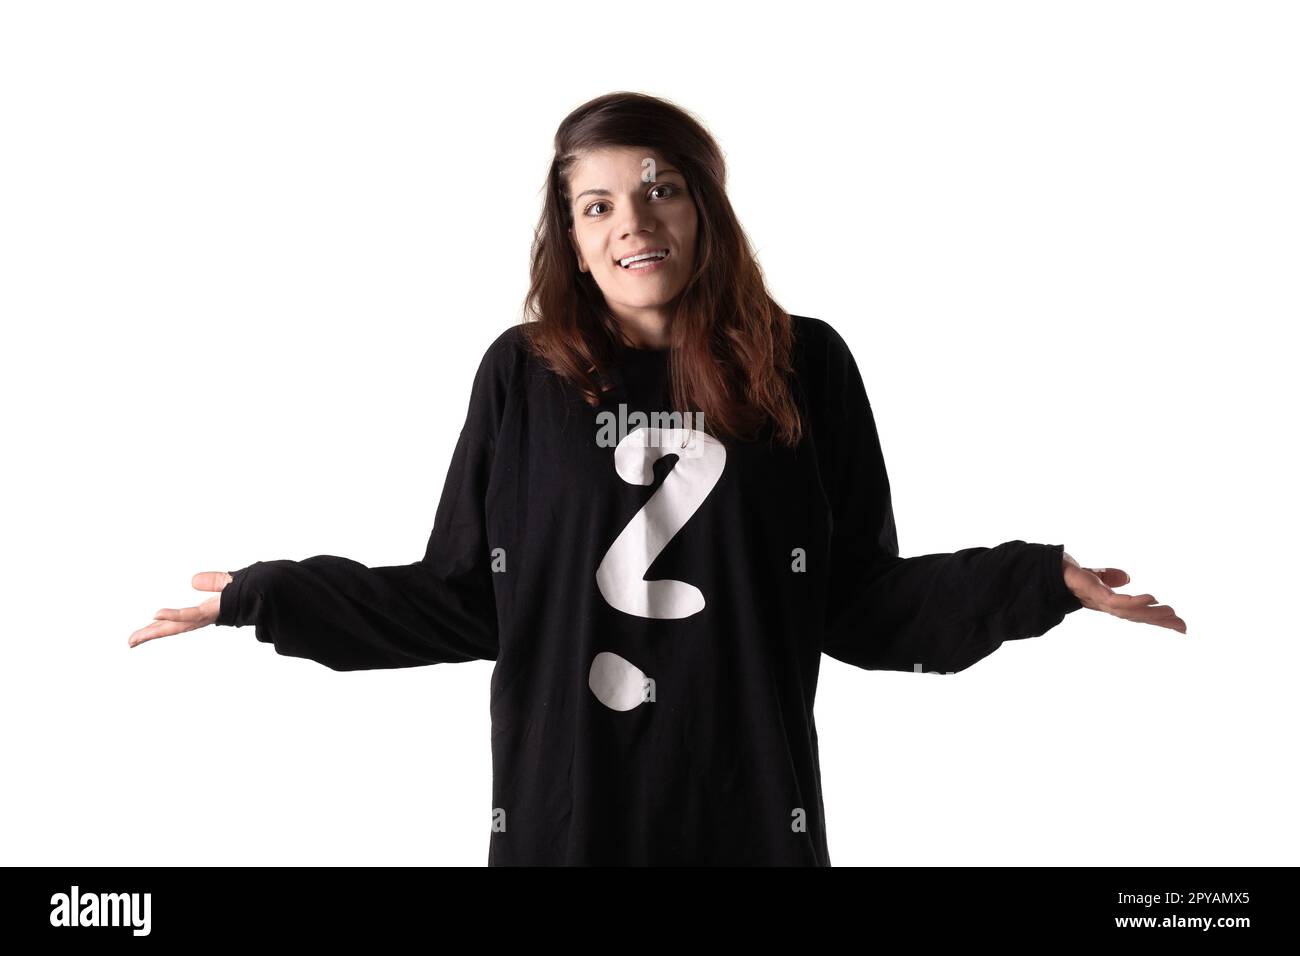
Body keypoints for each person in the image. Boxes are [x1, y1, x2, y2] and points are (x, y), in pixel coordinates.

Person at [128, 91, 1187, 865]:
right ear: (573, 240)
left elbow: (862, 602)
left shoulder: (804, 361)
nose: (631, 222)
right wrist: (265, 594)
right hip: (567, 825)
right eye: (595, 206)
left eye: (658, 190)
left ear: (704, 211)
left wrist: (1036, 581)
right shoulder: (522, 372)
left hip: (749, 821)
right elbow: (461, 599)